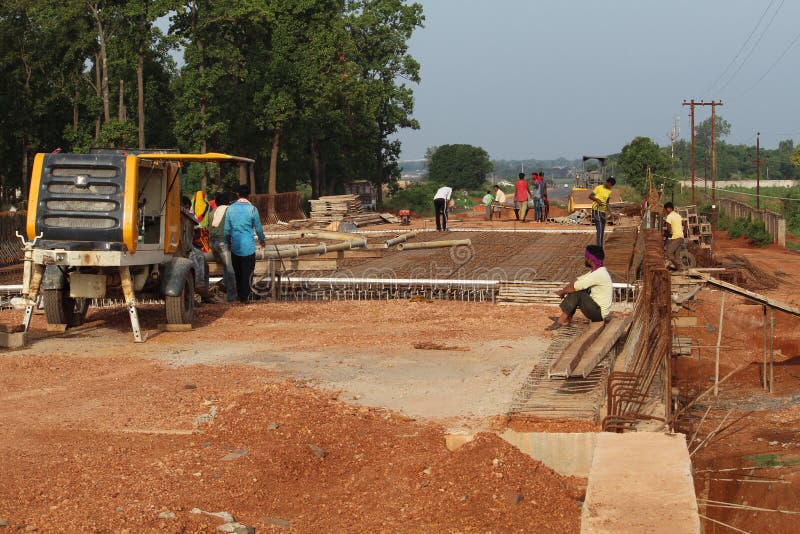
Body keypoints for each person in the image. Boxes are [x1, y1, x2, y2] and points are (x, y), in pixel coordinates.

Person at [547, 245, 613, 330]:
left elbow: (576, 286)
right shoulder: (596, 272)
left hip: (599, 313)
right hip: (596, 309)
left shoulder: (599, 274)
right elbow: (577, 280)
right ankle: (567, 318)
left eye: (586, 257)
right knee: (576, 290)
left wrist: (562, 292)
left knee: (578, 293)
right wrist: (564, 290)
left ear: (590, 260)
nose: (585, 259)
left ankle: (561, 320)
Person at [224, 184, 266, 303]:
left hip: (235, 246)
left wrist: (227, 242)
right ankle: (245, 296)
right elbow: (258, 229)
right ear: (249, 195)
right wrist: (262, 241)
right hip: (249, 247)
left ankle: (240, 296)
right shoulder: (252, 209)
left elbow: (227, 229)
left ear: (237, 194)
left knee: (238, 272)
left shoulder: (230, 209)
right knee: (248, 272)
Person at [209, 192, 237, 302]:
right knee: (231, 269)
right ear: (227, 202)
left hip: (213, 244)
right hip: (223, 243)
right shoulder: (229, 211)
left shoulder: (212, 212)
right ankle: (231, 297)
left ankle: (225, 284)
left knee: (226, 265)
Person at [589, 177, 615, 247]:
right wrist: (597, 200)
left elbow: (607, 203)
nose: (610, 186)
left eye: (611, 186)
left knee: (602, 230)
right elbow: (590, 196)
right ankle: (599, 248)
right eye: (610, 185)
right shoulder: (599, 188)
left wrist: (611, 212)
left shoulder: (609, 191)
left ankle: (600, 245)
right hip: (596, 210)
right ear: (607, 182)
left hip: (603, 212)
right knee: (599, 228)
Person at [663, 202, 685, 270]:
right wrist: (683, 233)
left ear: (669, 209)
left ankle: (679, 266)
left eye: (665, 210)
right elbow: (685, 225)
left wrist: (664, 234)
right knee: (676, 255)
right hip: (681, 237)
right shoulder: (678, 215)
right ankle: (679, 270)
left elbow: (669, 231)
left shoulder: (669, 217)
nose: (665, 211)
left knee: (668, 253)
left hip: (676, 238)